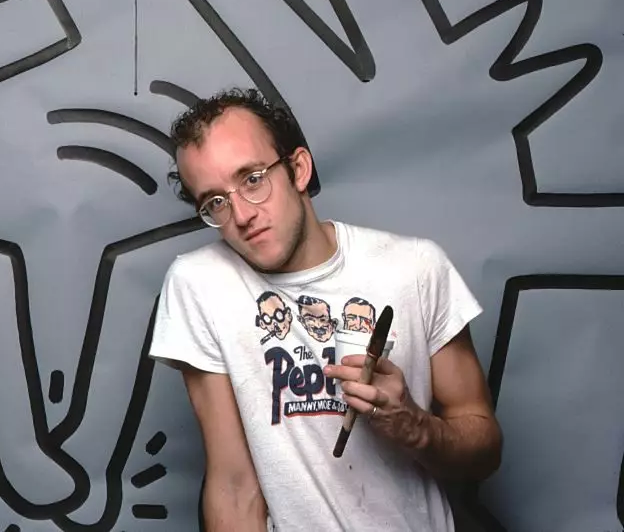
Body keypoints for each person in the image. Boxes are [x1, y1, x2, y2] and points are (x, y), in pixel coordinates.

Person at [148, 87, 502, 531]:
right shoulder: (200, 284)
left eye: (253, 179)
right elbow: (234, 485)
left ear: (298, 168)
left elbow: (486, 451)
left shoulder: (415, 269)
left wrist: (414, 426)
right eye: (215, 202)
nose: (241, 214)